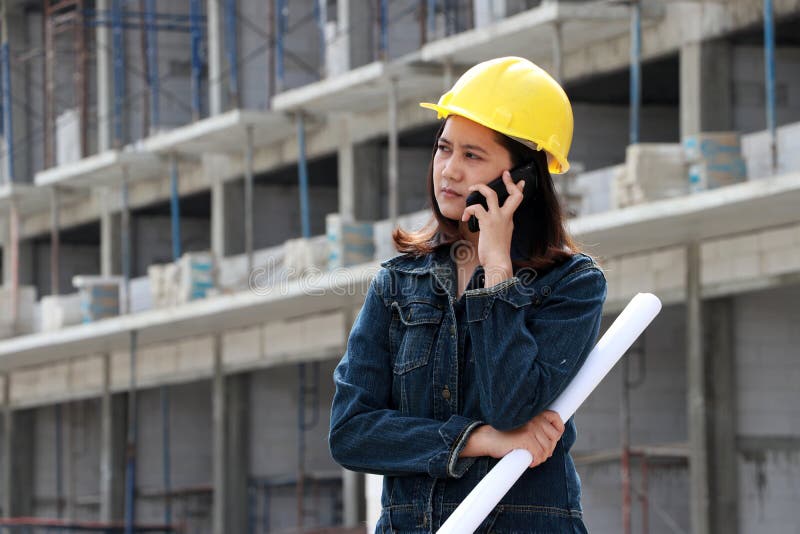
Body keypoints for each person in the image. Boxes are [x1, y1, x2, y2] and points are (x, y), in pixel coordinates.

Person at [329, 56, 607, 533]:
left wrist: (497, 272)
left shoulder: (572, 284)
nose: (449, 171)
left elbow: (511, 406)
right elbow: (350, 433)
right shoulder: (398, 284)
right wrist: (479, 439)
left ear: (523, 178)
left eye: (472, 156)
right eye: (444, 149)